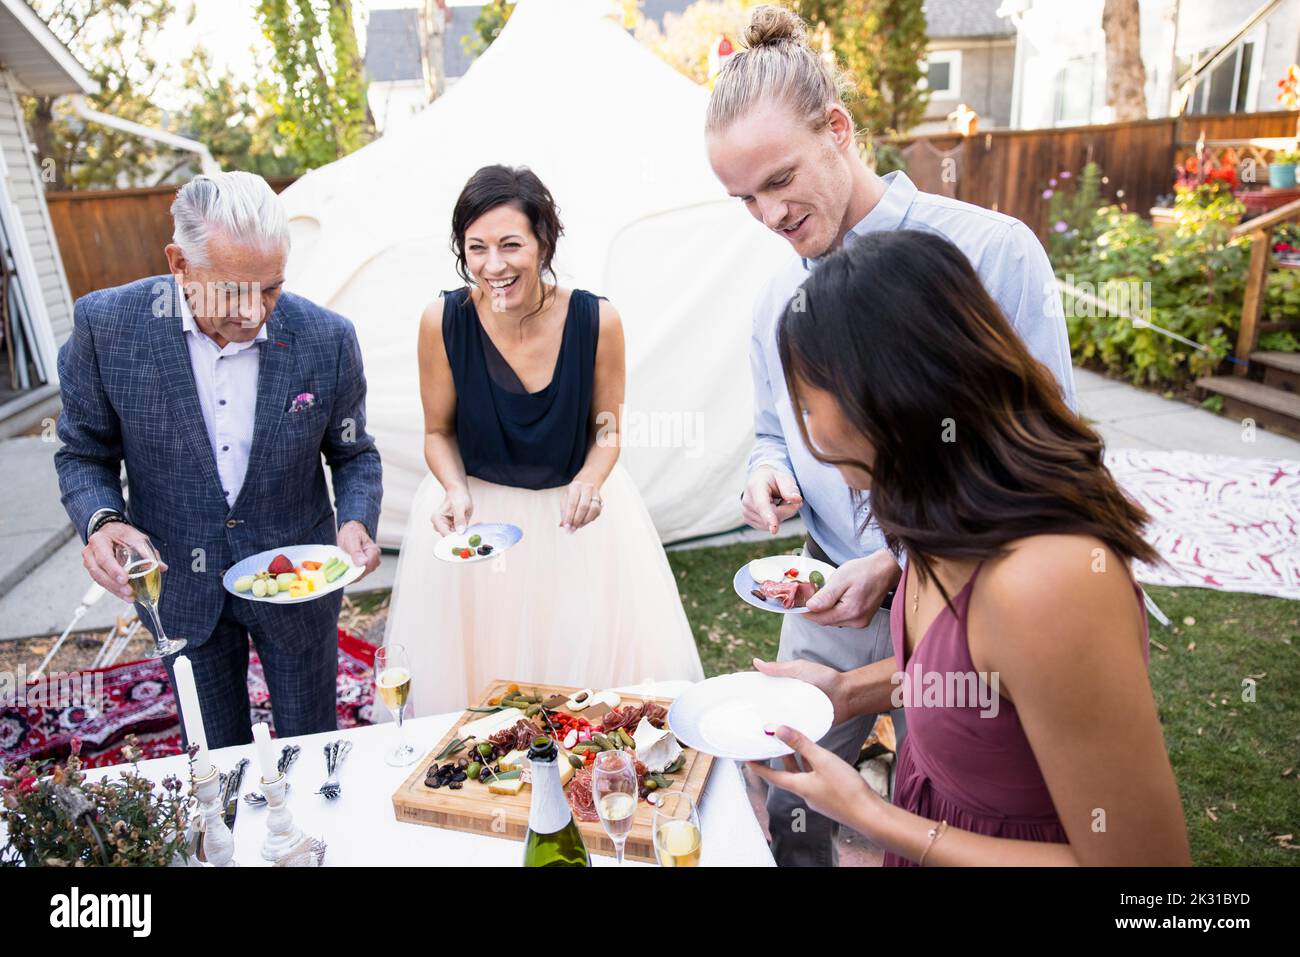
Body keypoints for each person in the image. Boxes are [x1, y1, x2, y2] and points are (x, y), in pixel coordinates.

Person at [704, 4, 1077, 866]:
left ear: (837, 130)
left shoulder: (994, 254)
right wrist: (769, 467)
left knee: (947, 800)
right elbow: (772, 426)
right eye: (743, 199)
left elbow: (1050, 456)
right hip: (826, 595)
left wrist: (906, 557)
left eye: (780, 179)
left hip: (971, 604)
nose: (766, 214)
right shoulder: (772, 301)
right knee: (791, 789)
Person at [750, 229, 1190, 865]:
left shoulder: (1049, 582)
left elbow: (1149, 877)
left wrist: (871, 815)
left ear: (887, 395)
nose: (800, 423)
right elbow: (972, 677)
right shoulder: (927, 517)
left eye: (806, 398)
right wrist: (844, 691)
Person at [55, 172, 383, 748]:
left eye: (272, 288)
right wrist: (104, 521)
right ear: (179, 263)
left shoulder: (327, 338)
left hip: (298, 585)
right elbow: (83, 453)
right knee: (214, 764)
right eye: (232, 291)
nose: (255, 312)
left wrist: (355, 520)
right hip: (177, 581)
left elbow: (354, 453)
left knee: (314, 751)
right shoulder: (105, 329)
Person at [384, 165, 702, 716]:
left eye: (511, 245)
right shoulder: (442, 320)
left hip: (575, 528)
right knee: (485, 706)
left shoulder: (598, 320)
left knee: (594, 706)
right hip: (482, 528)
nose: (494, 265)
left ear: (544, 241)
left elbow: (608, 430)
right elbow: (437, 433)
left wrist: (590, 479)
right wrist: (453, 489)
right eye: (476, 247)